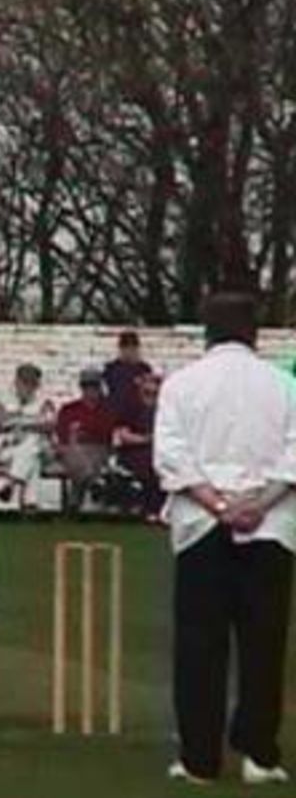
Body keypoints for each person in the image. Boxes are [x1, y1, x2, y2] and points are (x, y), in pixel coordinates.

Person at [154, 292, 296, 785]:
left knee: (200, 645)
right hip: (270, 525)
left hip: (201, 527)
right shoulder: (284, 385)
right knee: (264, 642)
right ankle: (259, 755)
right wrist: (257, 503)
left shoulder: (182, 384)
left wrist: (216, 503)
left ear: (206, 332)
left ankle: (200, 759)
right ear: (255, 333)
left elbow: (171, 456)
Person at [0, 364, 55, 513]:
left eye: (32, 383)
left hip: (34, 448)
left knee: (33, 443)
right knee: (33, 456)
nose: (28, 386)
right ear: (17, 381)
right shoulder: (3, 398)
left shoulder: (44, 401)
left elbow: (50, 425)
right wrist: (32, 422)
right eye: (24, 382)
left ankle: (11, 483)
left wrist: (18, 422)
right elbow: (0, 422)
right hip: (7, 448)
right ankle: (30, 503)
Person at [54, 368, 117, 514]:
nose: (91, 390)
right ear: (82, 388)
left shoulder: (106, 410)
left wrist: (83, 433)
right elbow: (62, 434)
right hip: (72, 449)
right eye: (87, 387)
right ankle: (93, 483)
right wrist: (78, 436)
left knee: (86, 455)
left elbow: (105, 434)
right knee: (74, 450)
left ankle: (74, 502)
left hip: (98, 450)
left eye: (94, 386)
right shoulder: (69, 409)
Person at [113, 372, 164, 520]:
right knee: (147, 463)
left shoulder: (165, 409)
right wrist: (146, 439)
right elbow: (123, 435)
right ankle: (148, 508)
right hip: (134, 452)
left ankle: (159, 509)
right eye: (147, 388)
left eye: (155, 389)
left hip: (159, 452)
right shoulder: (130, 408)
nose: (151, 392)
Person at [103, 330, 153, 419]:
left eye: (133, 347)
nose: (130, 351)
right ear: (121, 349)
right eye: (126, 347)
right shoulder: (111, 368)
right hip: (115, 415)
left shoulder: (144, 369)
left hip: (138, 415)